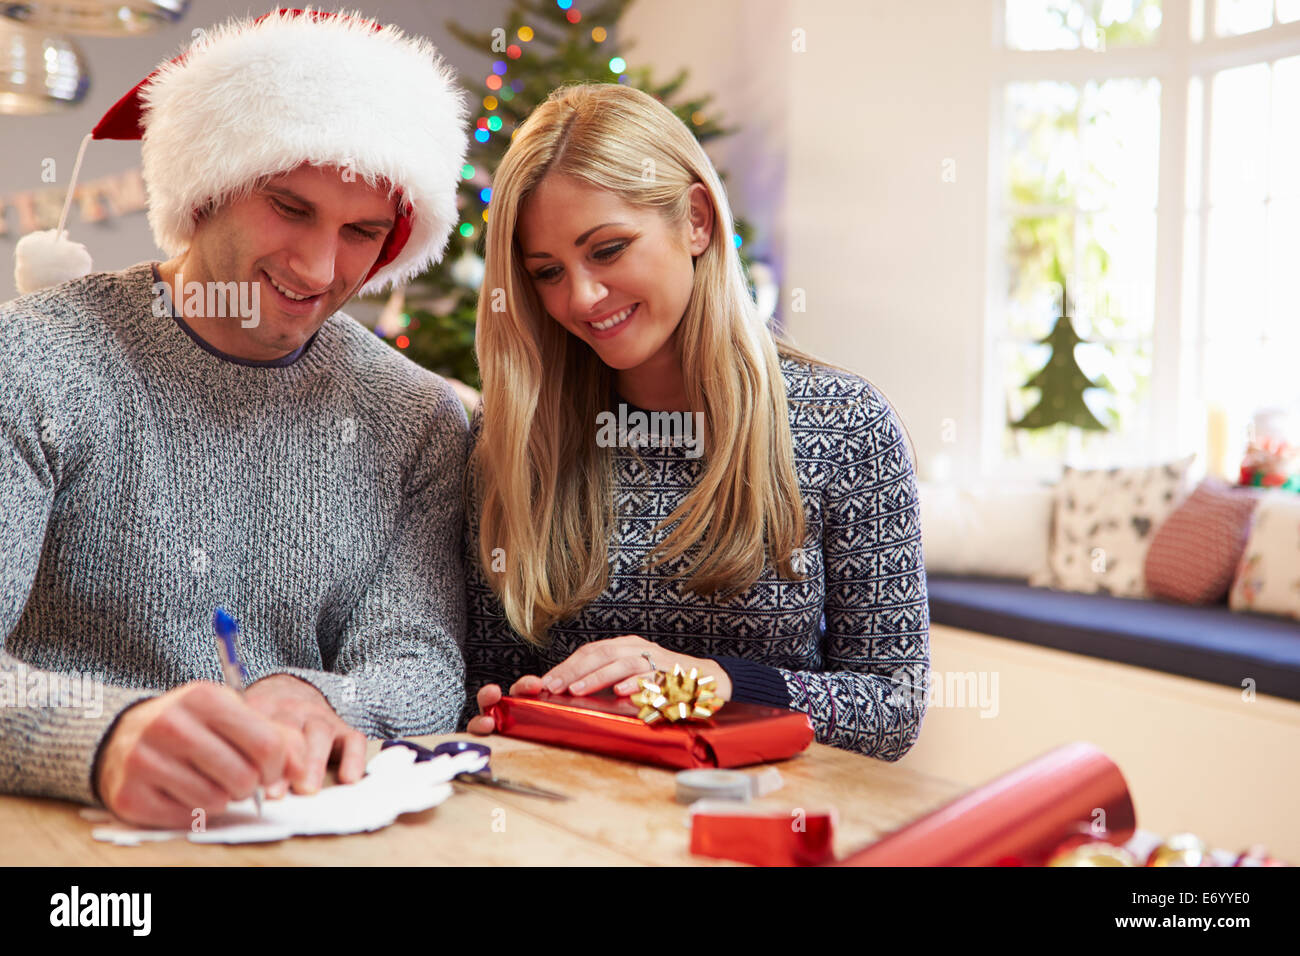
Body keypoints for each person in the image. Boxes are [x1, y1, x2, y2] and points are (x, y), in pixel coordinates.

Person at [0, 8, 470, 827]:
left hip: (300, 830)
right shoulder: (35, 362)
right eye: (290, 208)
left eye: (361, 232)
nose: (319, 268)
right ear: (207, 187)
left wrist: (313, 697)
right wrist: (104, 736)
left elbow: (420, 663)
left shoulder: (417, 416)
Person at [463, 83, 930, 760]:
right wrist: (507, 709)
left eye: (607, 249)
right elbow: (489, 674)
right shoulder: (513, 434)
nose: (581, 298)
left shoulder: (844, 426)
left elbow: (893, 707)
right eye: (546, 271)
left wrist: (713, 684)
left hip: (760, 825)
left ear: (698, 220)